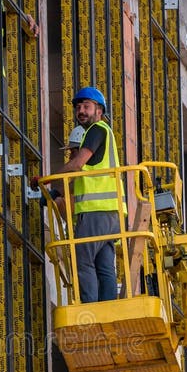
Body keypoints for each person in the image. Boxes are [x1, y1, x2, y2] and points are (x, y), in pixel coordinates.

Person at [59, 87, 126, 303]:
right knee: (104, 264)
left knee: (82, 259)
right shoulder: (104, 133)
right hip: (112, 214)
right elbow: (84, 175)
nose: (81, 111)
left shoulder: (97, 130)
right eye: (78, 107)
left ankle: (90, 306)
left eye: (86, 106)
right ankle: (107, 307)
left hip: (95, 211)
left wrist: (47, 179)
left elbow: (78, 164)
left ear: (99, 110)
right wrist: (56, 191)